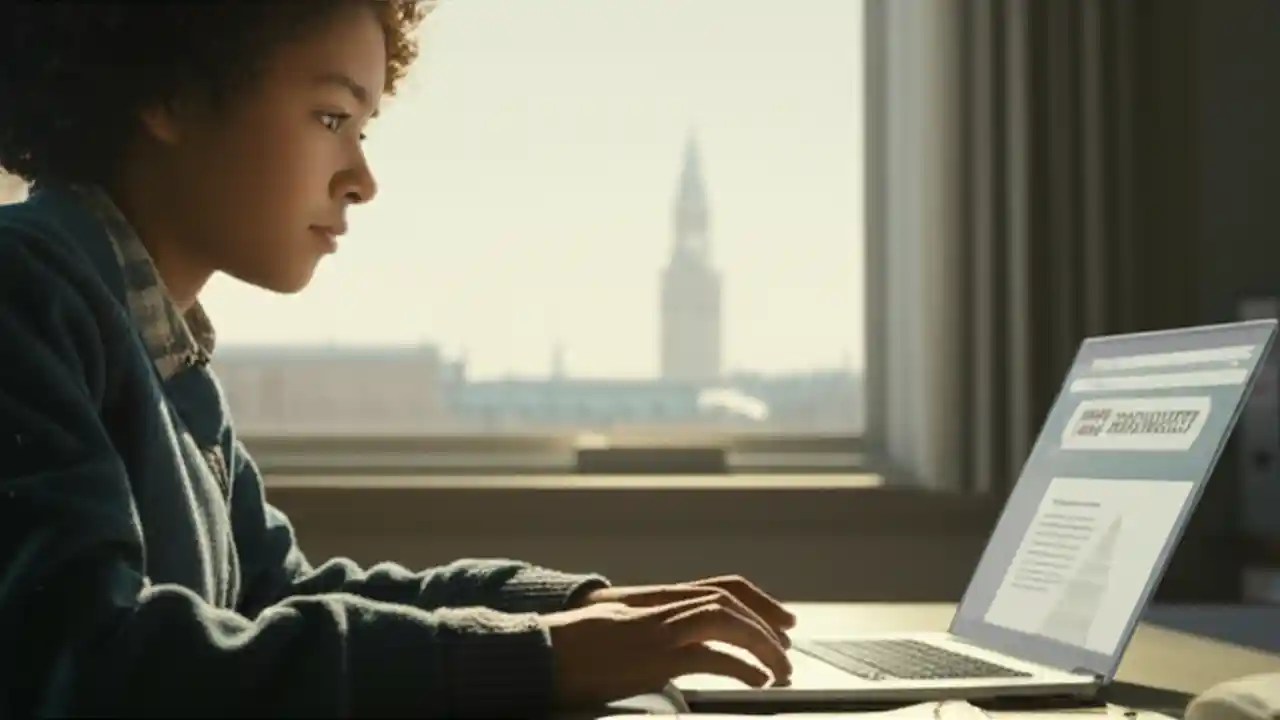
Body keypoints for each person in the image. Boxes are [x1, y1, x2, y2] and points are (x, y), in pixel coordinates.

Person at [0, 1, 795, 716]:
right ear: (168, 92)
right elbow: (88, 663)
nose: (362, 179)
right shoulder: (24, 297)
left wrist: (573, 611)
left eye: (363, 129)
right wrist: (541, 657)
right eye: (329, 118)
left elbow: (280, 597)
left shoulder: (161, 348)